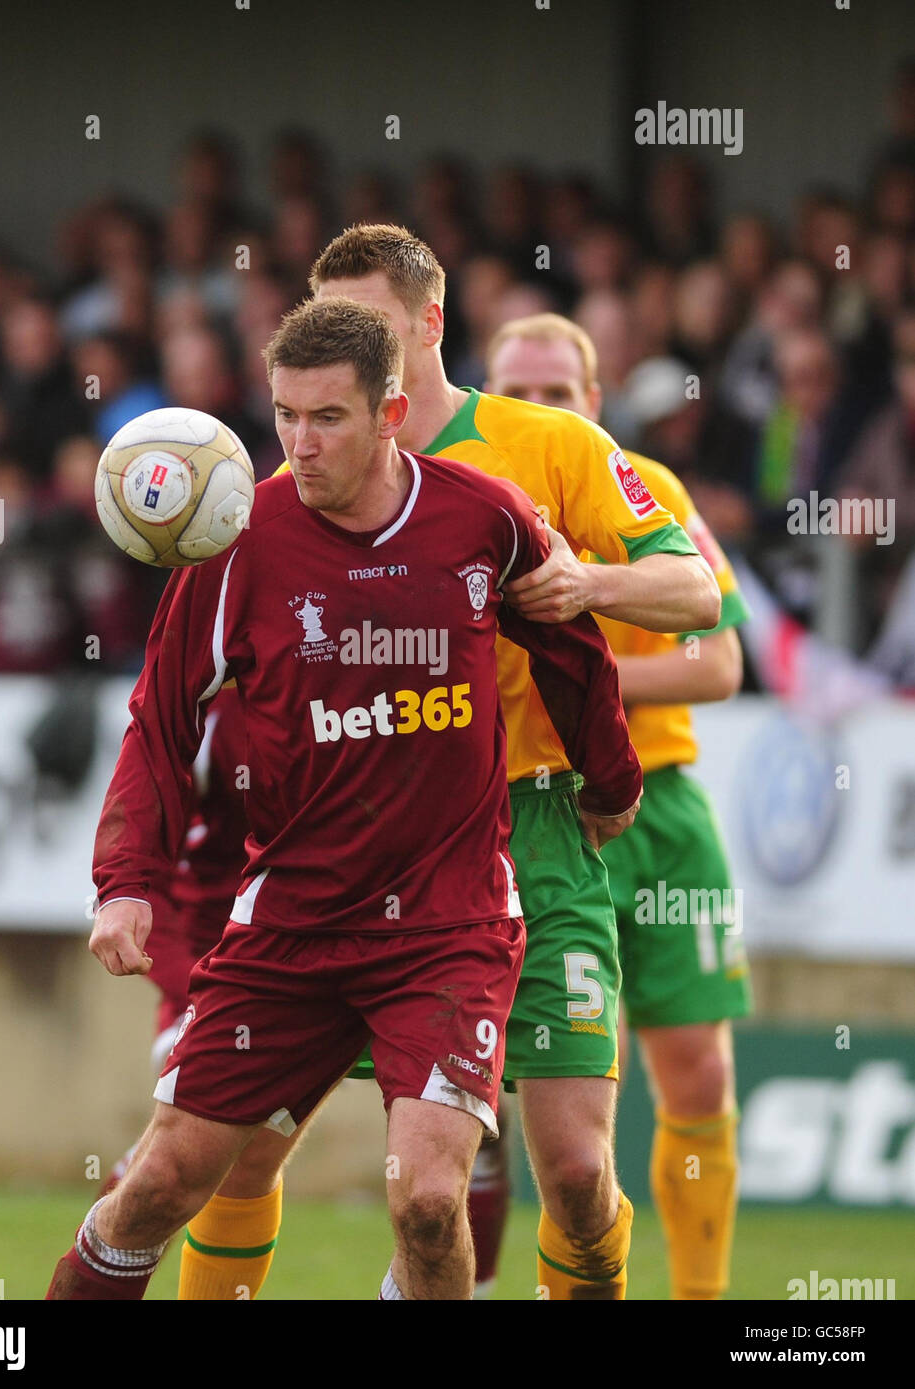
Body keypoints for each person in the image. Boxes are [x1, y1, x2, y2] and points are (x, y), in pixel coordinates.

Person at [46, 297, 642, 1301]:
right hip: (291, 921)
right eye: (283, 414)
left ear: (390, 412)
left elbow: (571, 639)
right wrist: (125, 882)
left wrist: (609, 775)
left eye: (326, 418)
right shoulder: (239, 542)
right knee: (160, 1182)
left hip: (448, 922)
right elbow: (160, 722)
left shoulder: (482, 517)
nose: (297, 443)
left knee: (425, 1198)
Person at [178, 225, 719, 1304]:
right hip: (356, 848)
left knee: (573, 1170)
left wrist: (583, 587)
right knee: (238, 1156)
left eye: (367, 322)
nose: (342, 347)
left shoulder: (544, 445)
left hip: (537, 831)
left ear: (428, 324)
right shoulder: (299, 475)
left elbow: (696, 595)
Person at [482, 312, 752, 1300]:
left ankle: (703, 1300)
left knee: (700, 1078)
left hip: (664, 810)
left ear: (593, 404)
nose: (539, 408)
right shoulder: (465, 499)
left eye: (558, 393)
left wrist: (582, 674)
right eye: (518, 390)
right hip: (543, 810)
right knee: (536, 1103)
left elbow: (719, 658)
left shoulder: (647, 495)